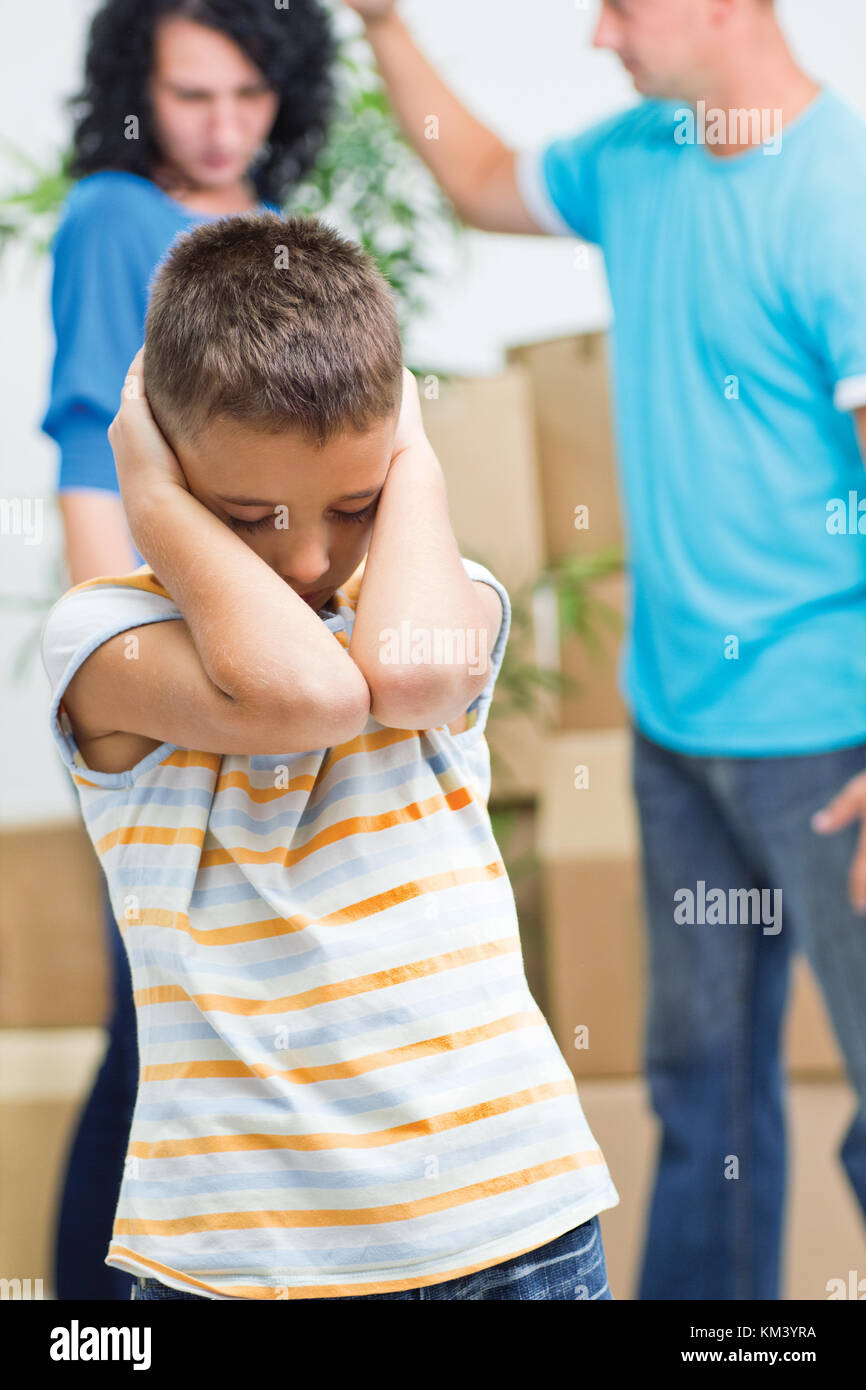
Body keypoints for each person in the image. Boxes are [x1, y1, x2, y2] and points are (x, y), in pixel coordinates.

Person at [339, 0, 866, 1299]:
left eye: (621, 4)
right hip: (673, 729)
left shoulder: (838, 201)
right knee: (700, 1106)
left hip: (831, 745)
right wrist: (385, 24)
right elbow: (470, 176)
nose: (596, 34)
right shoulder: (637, 157)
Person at [39, 211, 620, 1300]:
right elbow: (306, 697)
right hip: (246, 1257)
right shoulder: (100, 642)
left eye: (353, 505)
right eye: (248, 513)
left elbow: (396, 678)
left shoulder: (448, 605)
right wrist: (151, 502)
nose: (306, 554)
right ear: (165, 456)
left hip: (509, 1221)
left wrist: (413, 455)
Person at [40, 0, 336, 1299]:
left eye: (249, 99)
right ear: (137, 90)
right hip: (181, 681)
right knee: (156, 1023)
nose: (224, 131)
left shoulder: (270, 230)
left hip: (283, 676)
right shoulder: (118, 218)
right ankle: (94, 1319)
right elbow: (85, 457)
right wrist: (136, 678)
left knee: (242, 1019)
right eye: (191, 97)